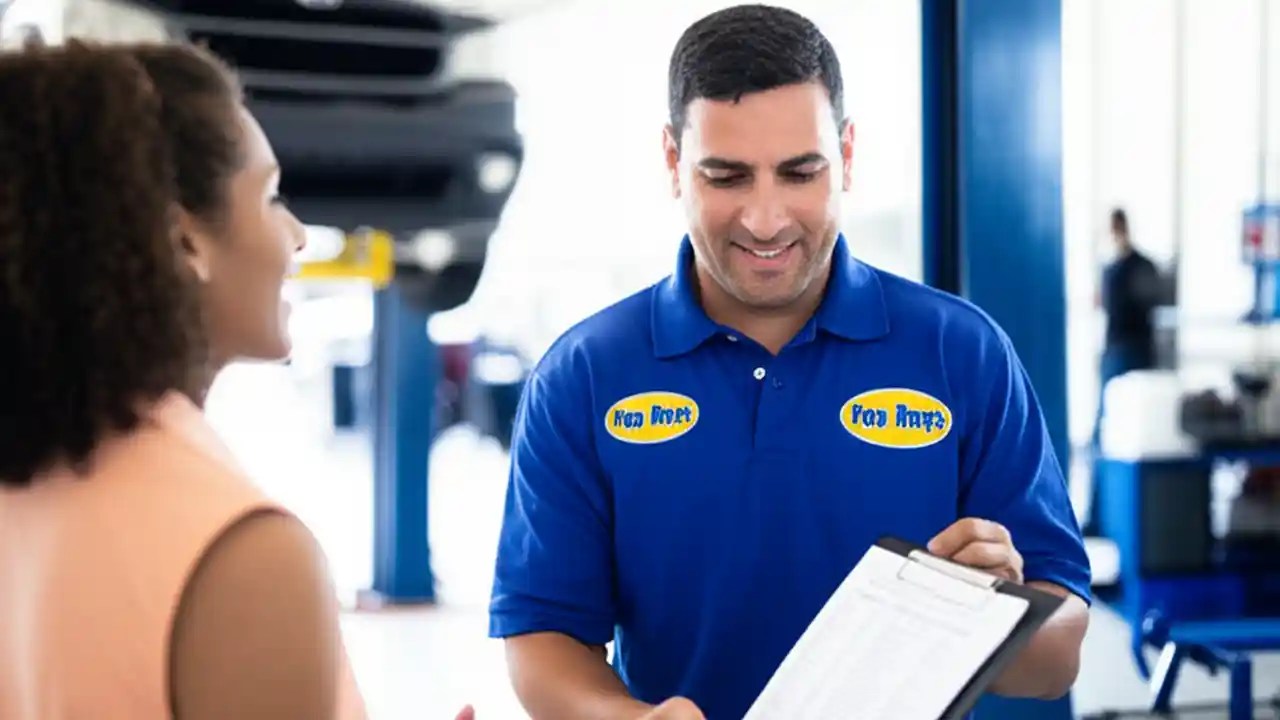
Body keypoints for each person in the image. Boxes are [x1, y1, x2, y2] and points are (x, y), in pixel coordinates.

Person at [488, 5, 1091, 719]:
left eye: (800, 173)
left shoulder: (962, 353)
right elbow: (543, 633)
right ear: (674, 163)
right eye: (727, 177)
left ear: (848, 155)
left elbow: (1058, 656)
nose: (766, 220)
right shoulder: (584, 377)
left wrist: (999, 622)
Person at [0, 41, 473, 720]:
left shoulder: (28, 482)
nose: (298, 235)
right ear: (185, 241)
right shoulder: (245, 554)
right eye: (271, 197)